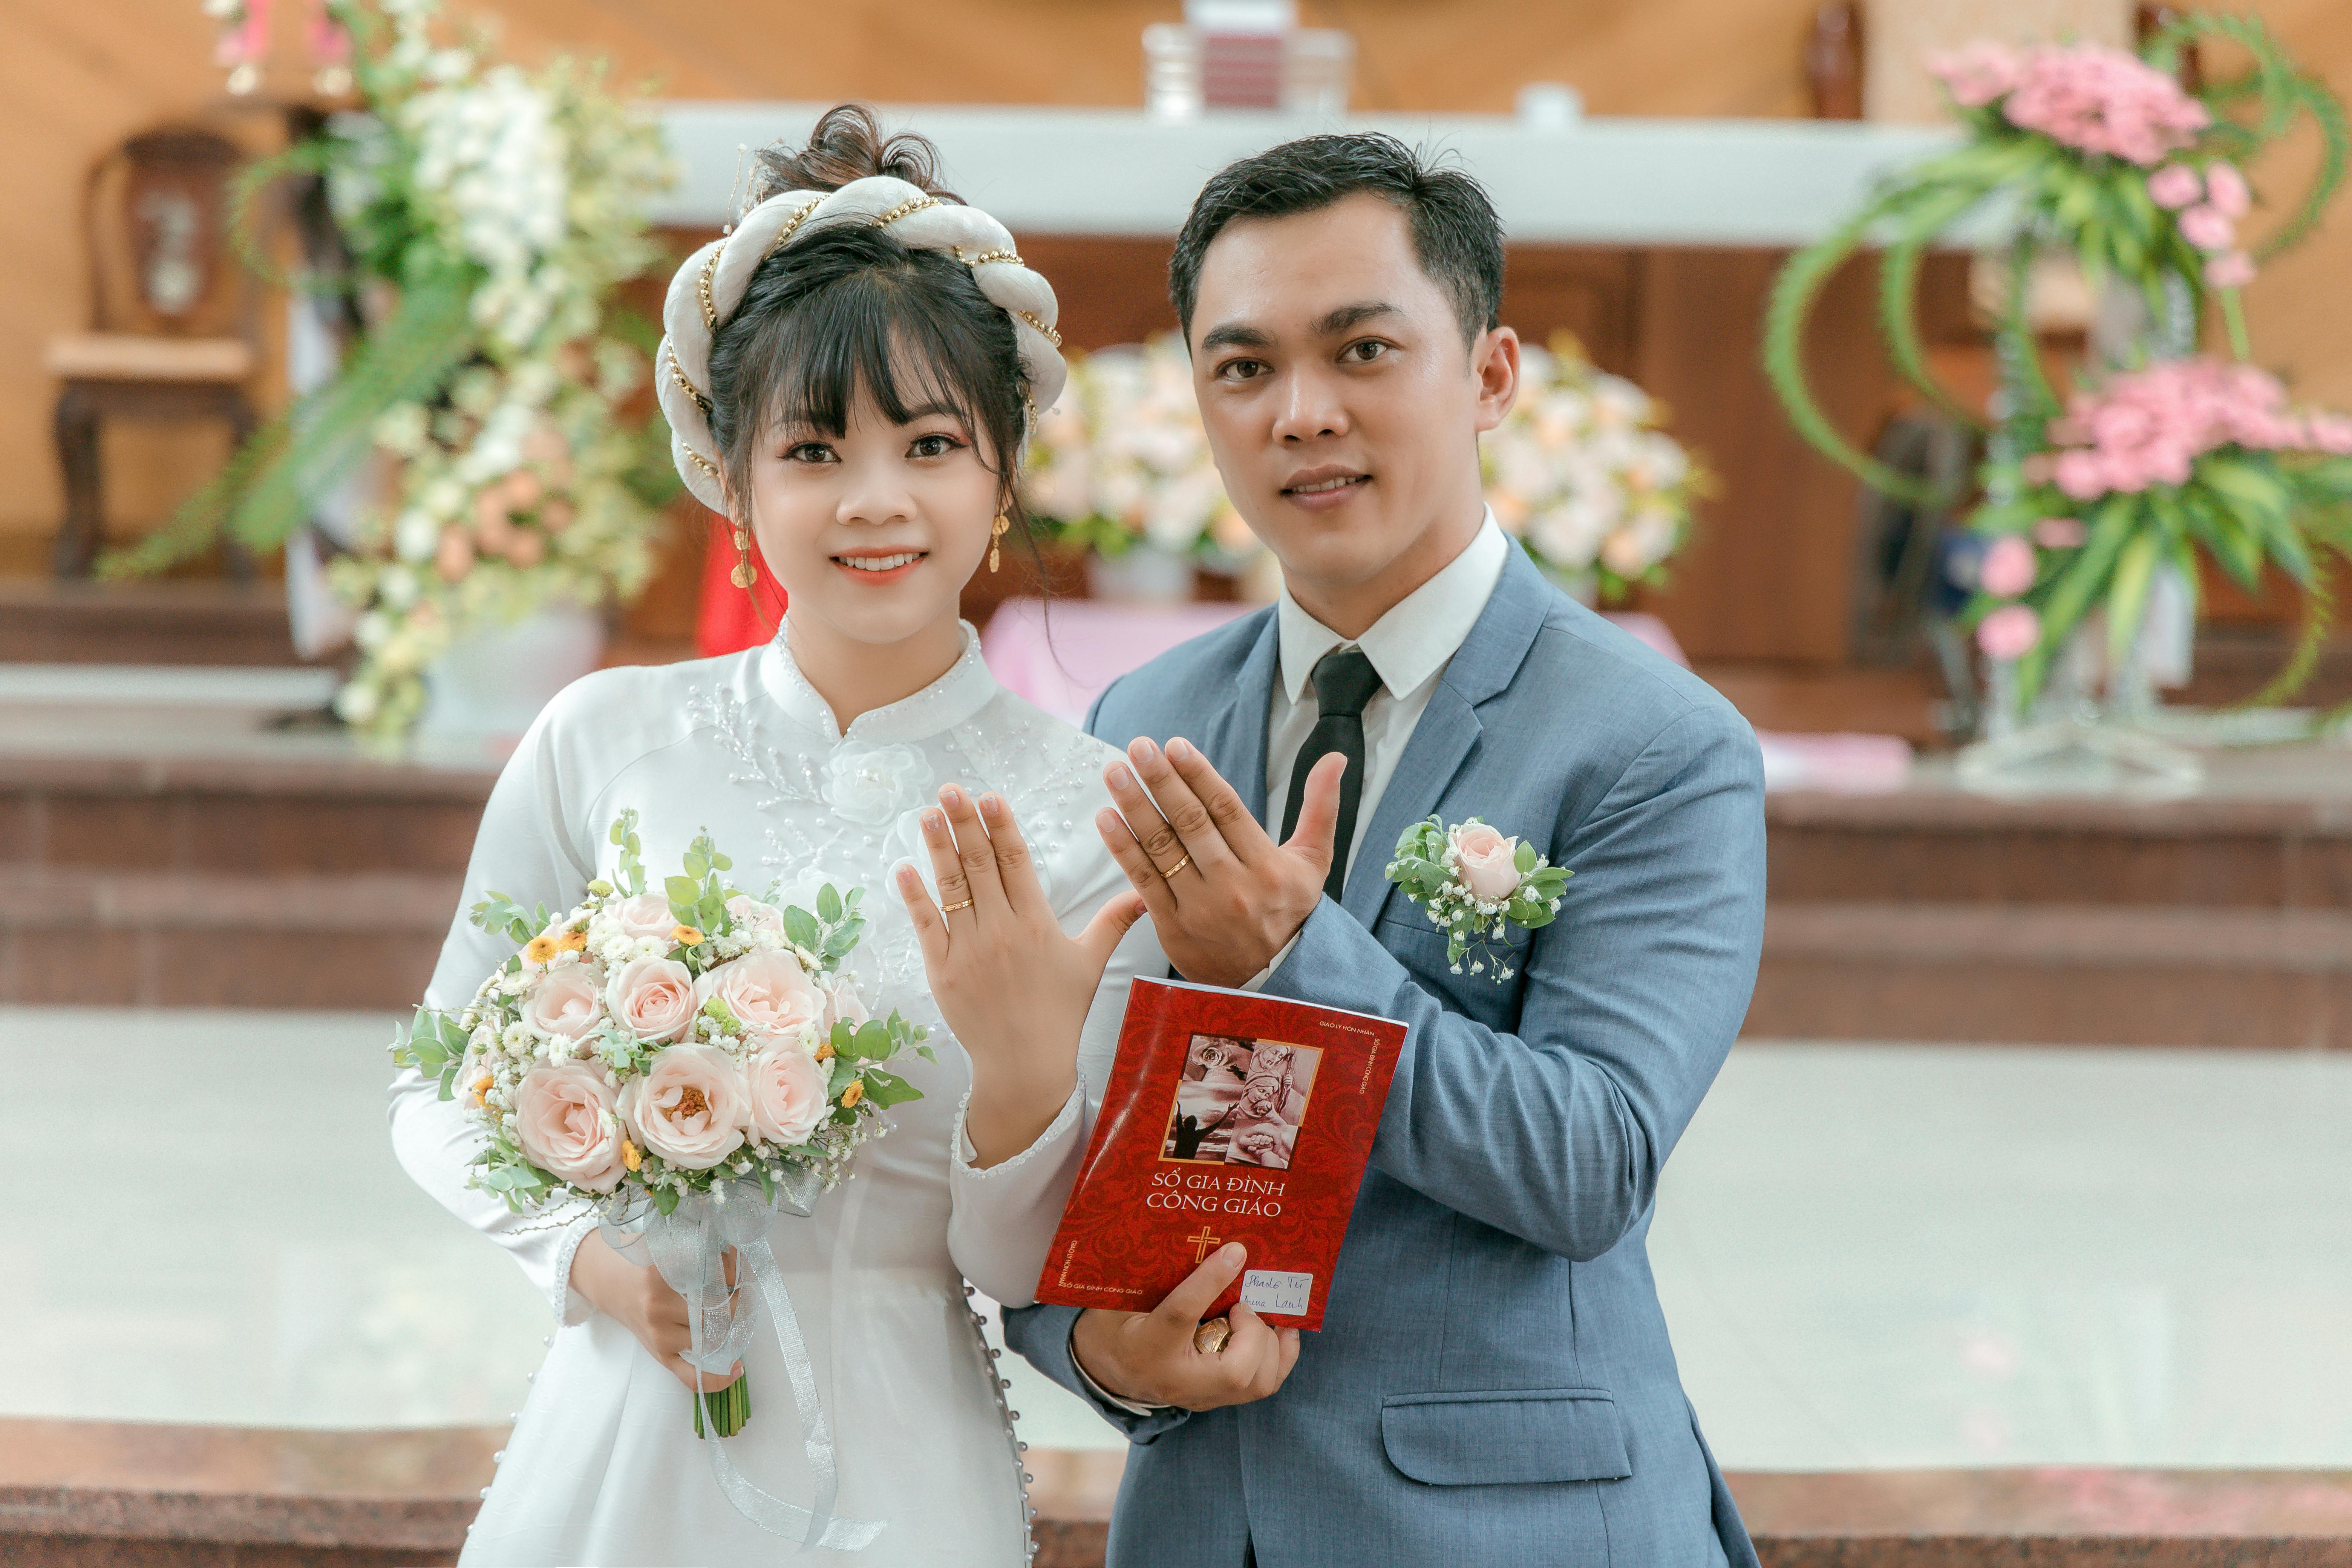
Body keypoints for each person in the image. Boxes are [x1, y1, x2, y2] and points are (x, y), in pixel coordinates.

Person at [388, 105, 1164, 1566]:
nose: (876, 499)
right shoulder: (604, 739)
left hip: (905, 1457)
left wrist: (1018, 1069)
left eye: (931, 443)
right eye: (815, 448)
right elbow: (436, 1089)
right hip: (621, 1444)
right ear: (732, 484)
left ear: (1000, 478)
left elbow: (1018, 1263)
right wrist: (594, 1262)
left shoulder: (1086, 810)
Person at [993, 134, 1769, 1566]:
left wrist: (1292, 960)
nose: (1302, 414)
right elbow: (1058, 1122)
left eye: (1362, 350)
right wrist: (1098, 1345)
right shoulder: (1145, 719)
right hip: (1204, 1516)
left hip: (1510, 1520)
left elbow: (1589, 1163)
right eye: (1244, 369)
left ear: (1488, 374)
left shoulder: (1654, 741)